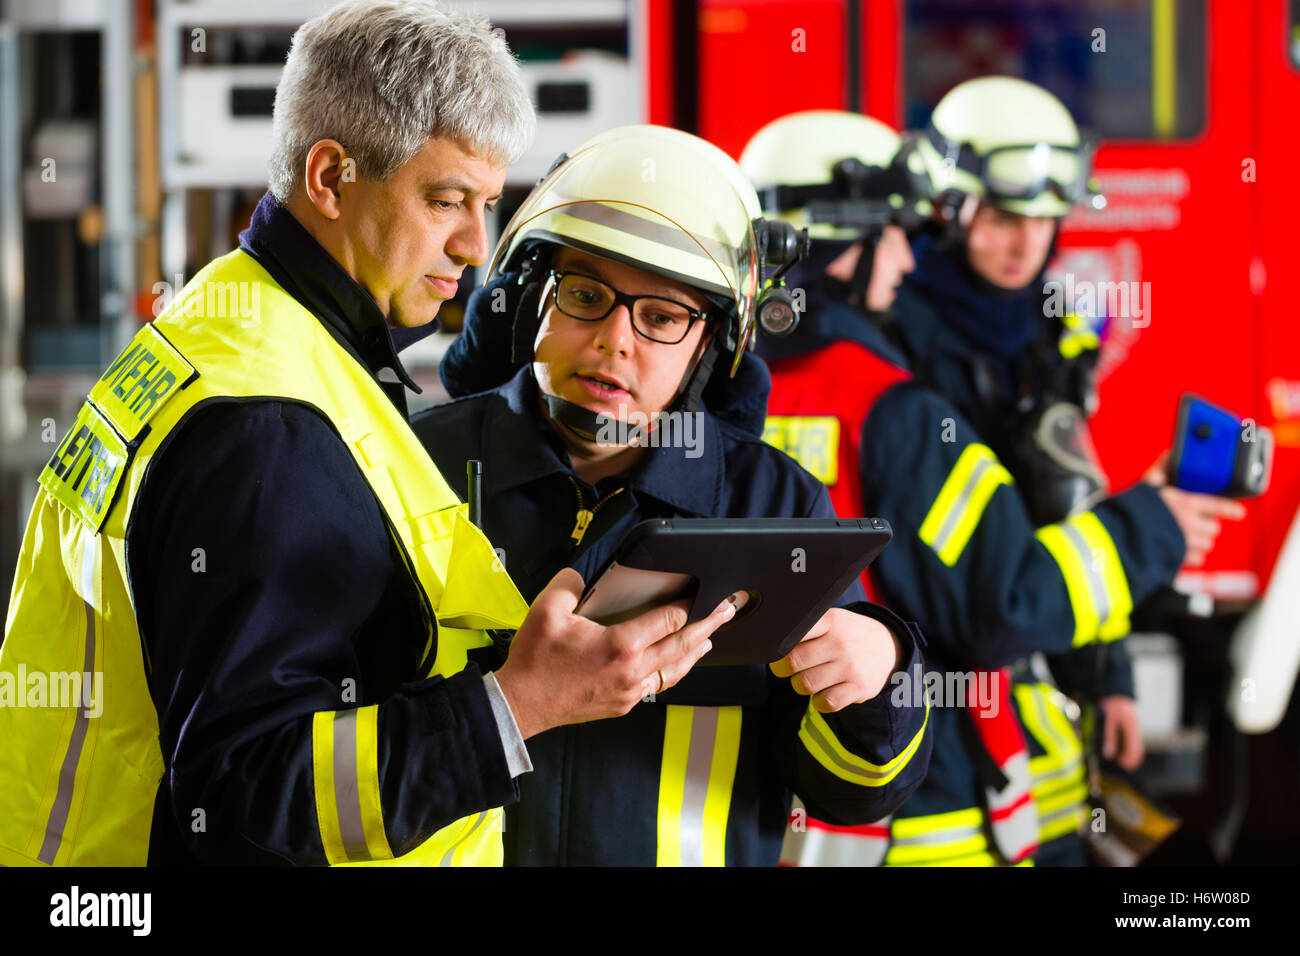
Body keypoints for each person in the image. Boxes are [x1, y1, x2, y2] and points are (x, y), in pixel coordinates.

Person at [0, 0, 725, 867]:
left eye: (489, 204)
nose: (474, 246)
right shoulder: (269, 427)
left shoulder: (229, 326)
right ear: (331, 177)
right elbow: (252, 783)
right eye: (446, 199)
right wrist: (519, 704)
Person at [411, 123, 932, 866]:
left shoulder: (771, 504)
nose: (616, 340)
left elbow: (852, 791)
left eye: (661, 317)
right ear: (529, 303)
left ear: (710, 344)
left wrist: (880, 677)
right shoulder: (414, 467)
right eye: (586, 294)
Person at [750, 87, 1244, 867]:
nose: (1027, 245)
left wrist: (1104, 670)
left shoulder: (1046, 340)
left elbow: (1061, 505)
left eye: (1046, 221)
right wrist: (1154, 526)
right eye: (1007, 218)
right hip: (936, 745)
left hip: (911, 723)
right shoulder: (892, 380)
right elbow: (996, 598)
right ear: (943, 213)